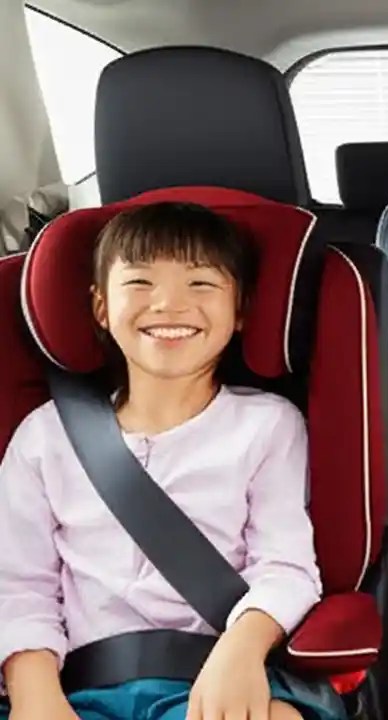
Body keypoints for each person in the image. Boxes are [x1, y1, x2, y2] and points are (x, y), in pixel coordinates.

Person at [0, 202, 339, 720]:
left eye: (201, 284)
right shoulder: (44, 436)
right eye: (139, 282)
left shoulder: (269, 425)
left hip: (213, 677)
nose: (168, 304)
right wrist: (34, 695)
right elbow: (18, 583)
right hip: (73, 690)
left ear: (241, 309)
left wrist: (241, 650)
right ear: (100, 308)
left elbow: (285, 566)